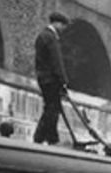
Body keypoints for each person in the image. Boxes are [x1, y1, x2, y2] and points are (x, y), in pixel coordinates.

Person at [33, 12, 70, 145]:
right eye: (63, 26)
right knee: (53, 109)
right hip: (51, 79)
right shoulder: (50, 37)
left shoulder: (42, 36)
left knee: (50, 107)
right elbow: (56, 61)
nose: (63, 29)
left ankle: (39, 137)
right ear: (57, 23)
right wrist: (64, 81)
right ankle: (51, 139)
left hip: (43, 78)